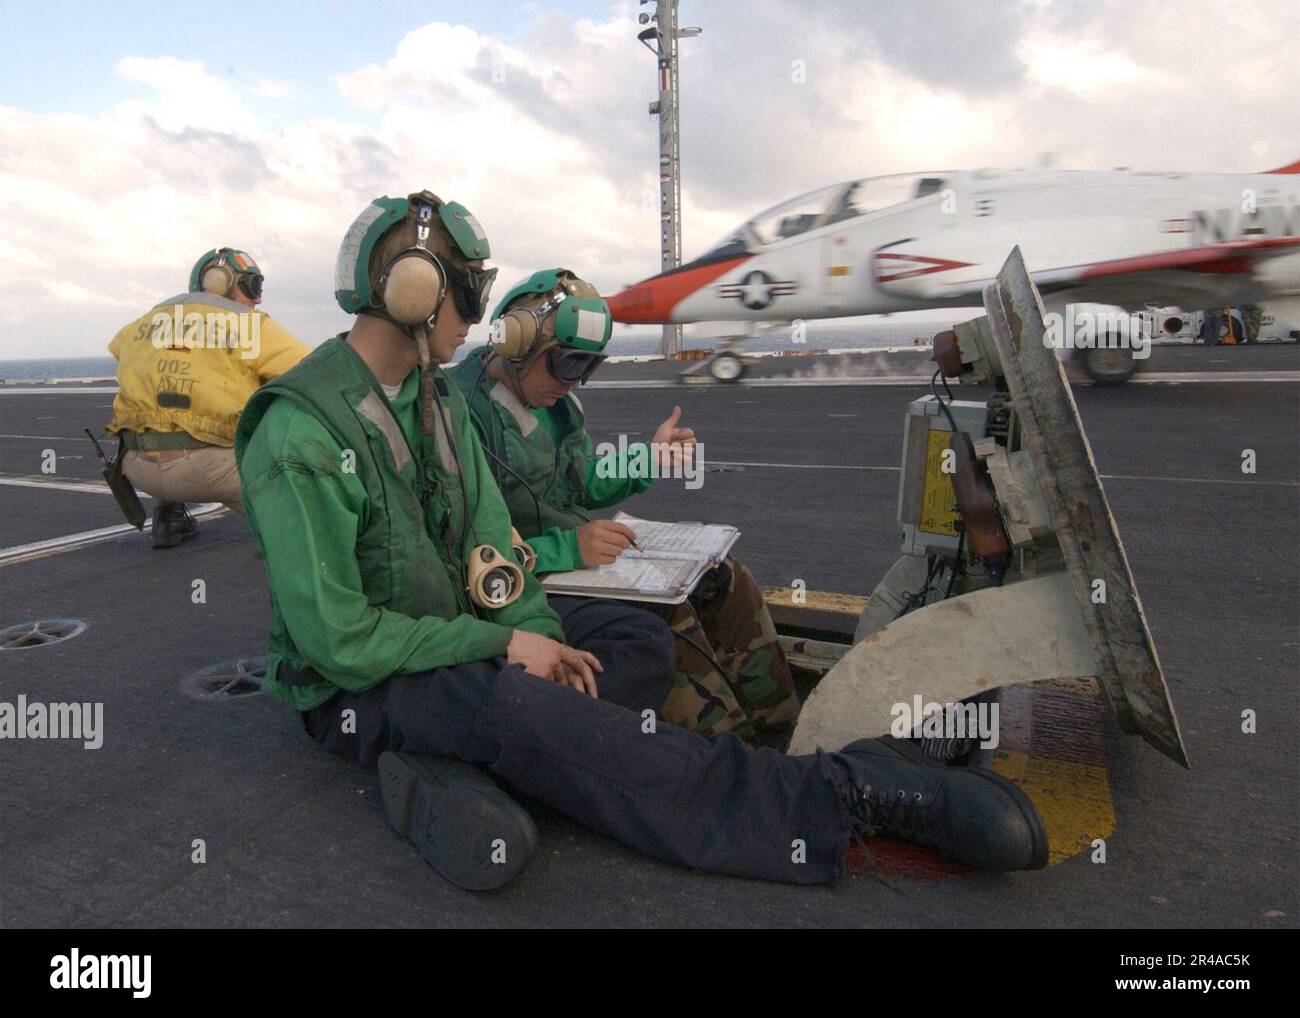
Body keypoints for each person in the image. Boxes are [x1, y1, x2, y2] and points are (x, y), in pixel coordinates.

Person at [235, 189, 1050, 893]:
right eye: (468, 299)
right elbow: (338, 640)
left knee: (629, 645)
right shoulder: (300, 431)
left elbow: (494, 549)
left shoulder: (430, 402)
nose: (478, 322)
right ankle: (837, 798)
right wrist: (505, 647)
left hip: (459, 635)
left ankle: (486, 762)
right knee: (520, 705)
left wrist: (542, 639)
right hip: (360, 684)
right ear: (415, 295)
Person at [448, 268, 801, 750]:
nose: (574, 384)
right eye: (566, 365)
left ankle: (782, 733)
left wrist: (647, 457)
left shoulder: (553, 406)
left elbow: (581, 482)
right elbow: (464, 550)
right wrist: (568, 548)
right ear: (518, 344)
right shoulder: (459, 415)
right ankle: (729, 760)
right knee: (667, 616)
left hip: (577, 558)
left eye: (586, 369)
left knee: (725, 577)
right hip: (523, 582)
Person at [105, 248, 309, 547]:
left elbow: (117, 349)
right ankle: (288, 535)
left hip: (138, 467)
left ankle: (168, 516)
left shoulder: (146, 320)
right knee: (299, 526)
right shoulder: (249, 325)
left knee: (164, 413)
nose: (258, 298)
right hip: (213, 472)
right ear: (220, 282)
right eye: (253, 287)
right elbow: (310, 372)